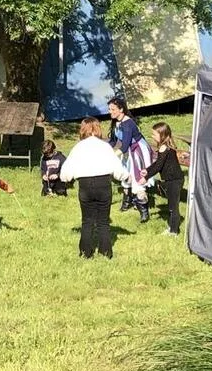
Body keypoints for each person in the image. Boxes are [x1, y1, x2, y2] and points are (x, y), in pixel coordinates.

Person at [60, 117, 130, 259]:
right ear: (98, 129)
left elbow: (65, 174)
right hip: (104, 184)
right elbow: (118, 169)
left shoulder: (78, 147)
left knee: (87, 220)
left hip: (85, 185)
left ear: (83, 129)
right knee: (103, 221)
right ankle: (106, 252)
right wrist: (126, 176)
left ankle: (86, 252)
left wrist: (67, 178)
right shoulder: (105, 147)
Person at [108, 97, 154, 223]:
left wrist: (111, 156)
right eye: (109, 109)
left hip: (137, 150)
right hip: (128, 150)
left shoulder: (128, 124)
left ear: (121, 109)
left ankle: (144, 212)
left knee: (137, 178)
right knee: (126, 174)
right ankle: (127, 202)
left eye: (113, 109)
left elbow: (125, 145)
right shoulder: (116, 122)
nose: (110, 112)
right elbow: (113, 141)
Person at [141, 122, 184, 236]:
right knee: (171, 205)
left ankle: (174, 231)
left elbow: (158, 166)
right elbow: (158, 164)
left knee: (173, 207)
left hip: (174, 180)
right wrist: (147, 169)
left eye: (154, 134)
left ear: (162, 135)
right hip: (174, 179)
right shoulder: (166, 146)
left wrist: (146, 177)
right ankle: (171, 227)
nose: (152, 136)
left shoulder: (164, 148)